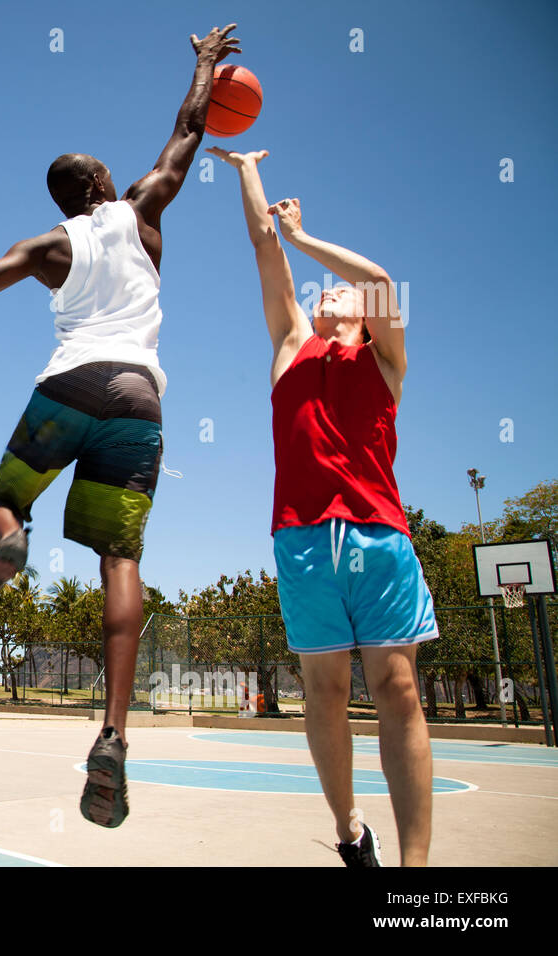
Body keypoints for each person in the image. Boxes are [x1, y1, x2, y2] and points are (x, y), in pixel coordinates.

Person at [0, 25, 242, 828]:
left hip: (67, 384)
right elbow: (189, 131)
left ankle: (11, 541)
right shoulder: (141, 207)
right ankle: (114, 736)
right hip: (138, 396)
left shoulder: (45, 246)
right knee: (119, 556)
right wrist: (202, 63)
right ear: (101, 180)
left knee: (6, 496)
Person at [208, 145, 437, 867]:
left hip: (378, 534)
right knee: (325, 691)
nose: (323, 292)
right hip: (302, 538)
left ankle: (415, 874)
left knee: (397, 686)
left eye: (337, 296)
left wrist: (309, 238)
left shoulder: (384, 360)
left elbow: (375, 280)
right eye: (319, 289)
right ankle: (348, 830)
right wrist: (247, 170)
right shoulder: (290, 347)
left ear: (365, 319)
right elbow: (262, 247)